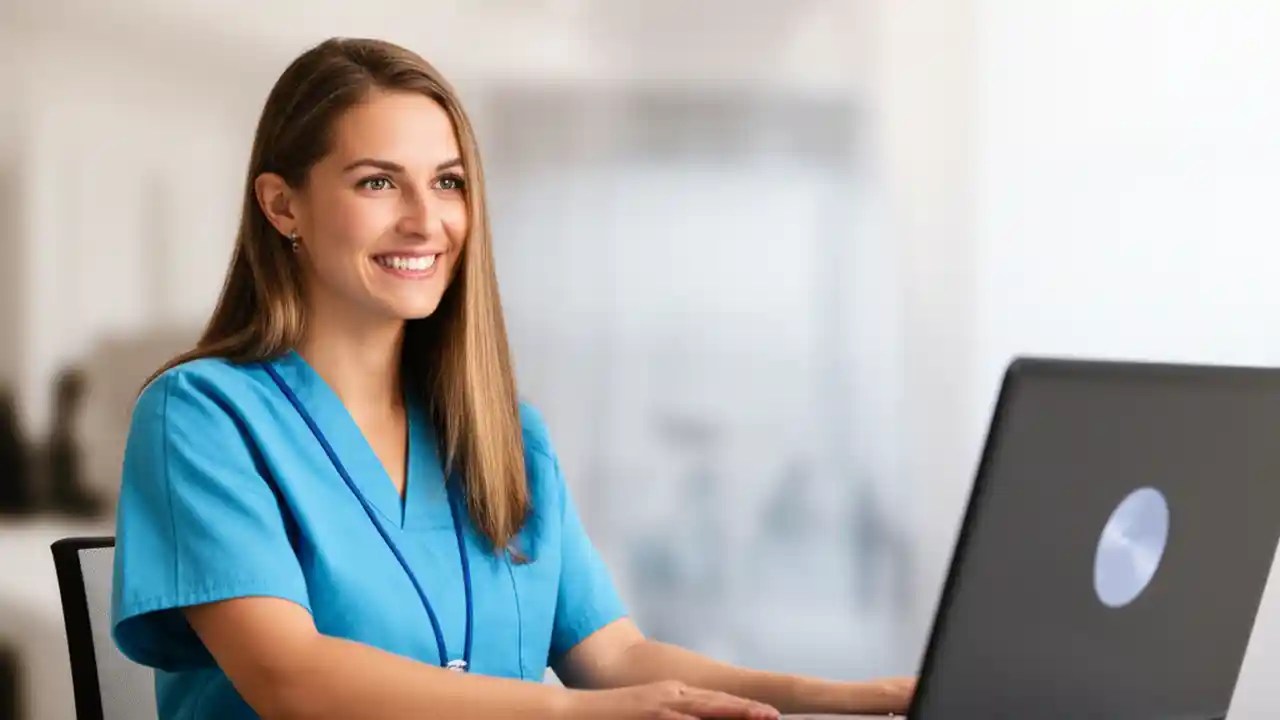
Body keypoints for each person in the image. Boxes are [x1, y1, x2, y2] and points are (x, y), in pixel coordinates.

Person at [110, 37, 914, 719]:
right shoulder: (204, 416)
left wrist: (835, 696)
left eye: (449, 182)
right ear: (283, 206)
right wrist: (564, 710)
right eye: (378, 182)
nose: (427, 220)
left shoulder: (503, 434)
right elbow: (288, 678)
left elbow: (615, 655)